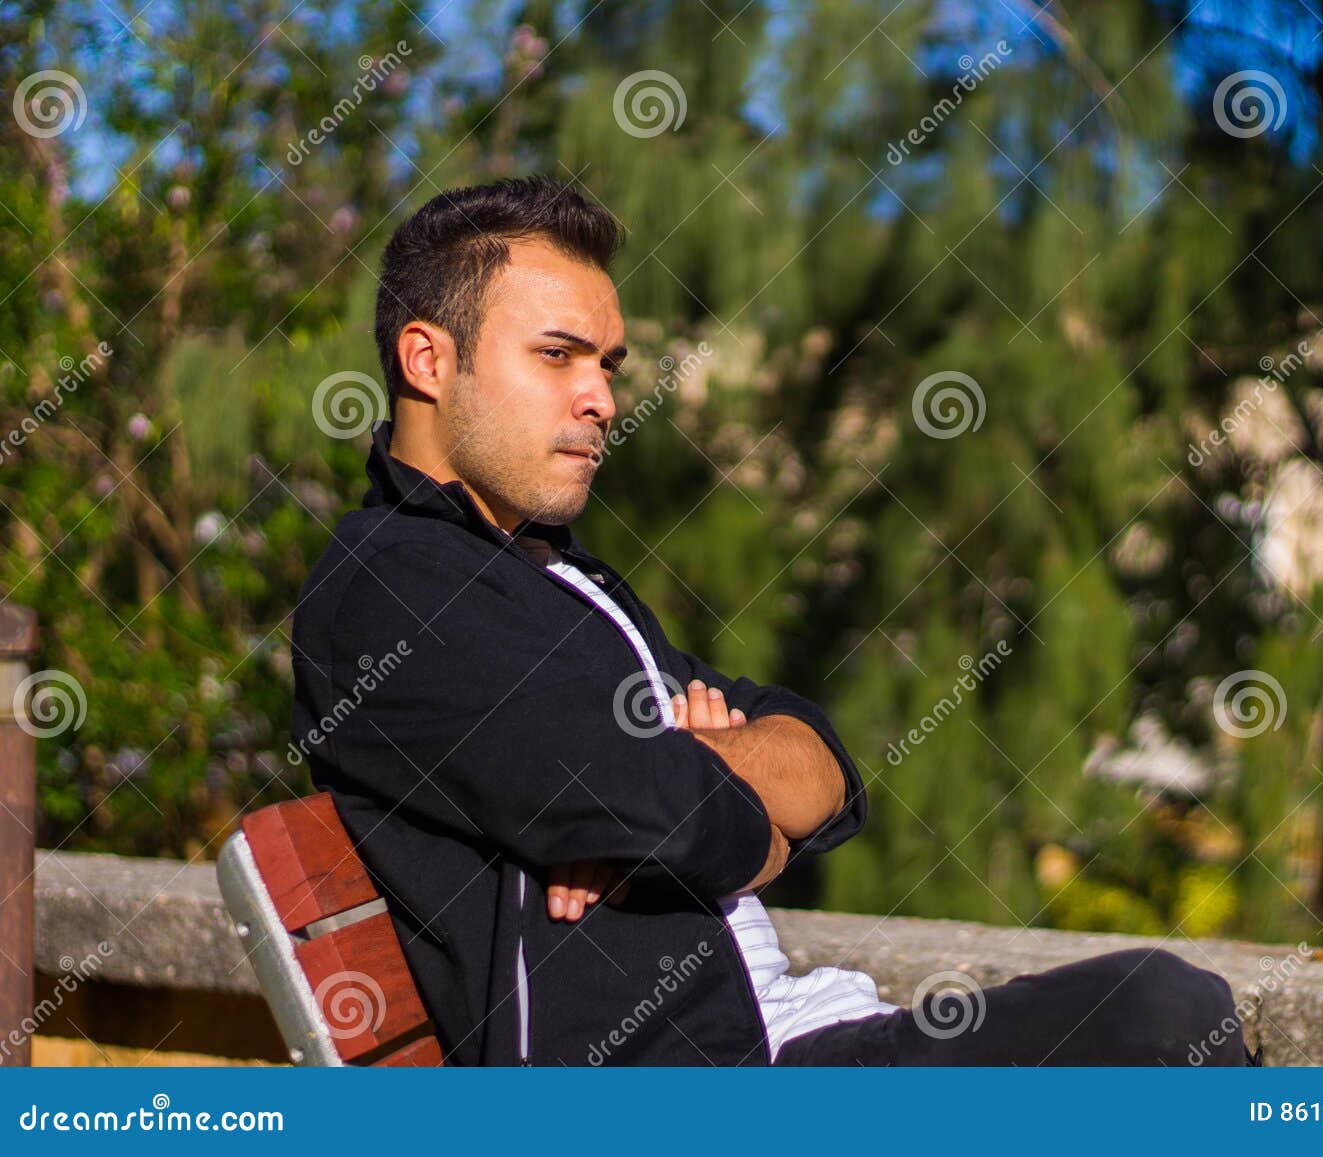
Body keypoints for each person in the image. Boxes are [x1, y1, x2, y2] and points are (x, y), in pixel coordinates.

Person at [290, 174, 1260, 1068]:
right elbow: (637, 799)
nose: (603, 398)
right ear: (428, 357)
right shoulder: (389, 587)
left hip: (796, 1035)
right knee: (1158, 1014)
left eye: (609, 363)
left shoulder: (558, 575)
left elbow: (826, 768)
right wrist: (737, 816)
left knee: (1169, 1008)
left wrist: (708, 779)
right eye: (557, 355)